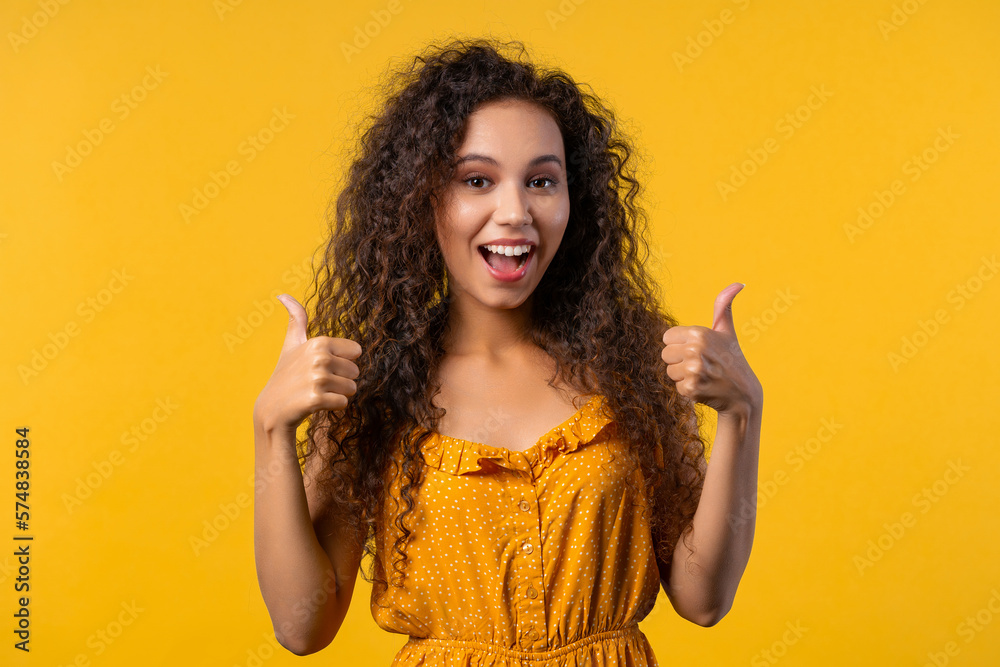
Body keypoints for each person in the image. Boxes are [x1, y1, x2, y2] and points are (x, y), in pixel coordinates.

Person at [252, 37, 763, 665]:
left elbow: (703, 598)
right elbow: (303, 628)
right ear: (422, 198)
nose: (515, 212)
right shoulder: (374, 386)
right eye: (477, 180)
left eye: (542, 181)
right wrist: (271, 428)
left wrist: (742, 415)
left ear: (575, 200)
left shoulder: (632, 368)